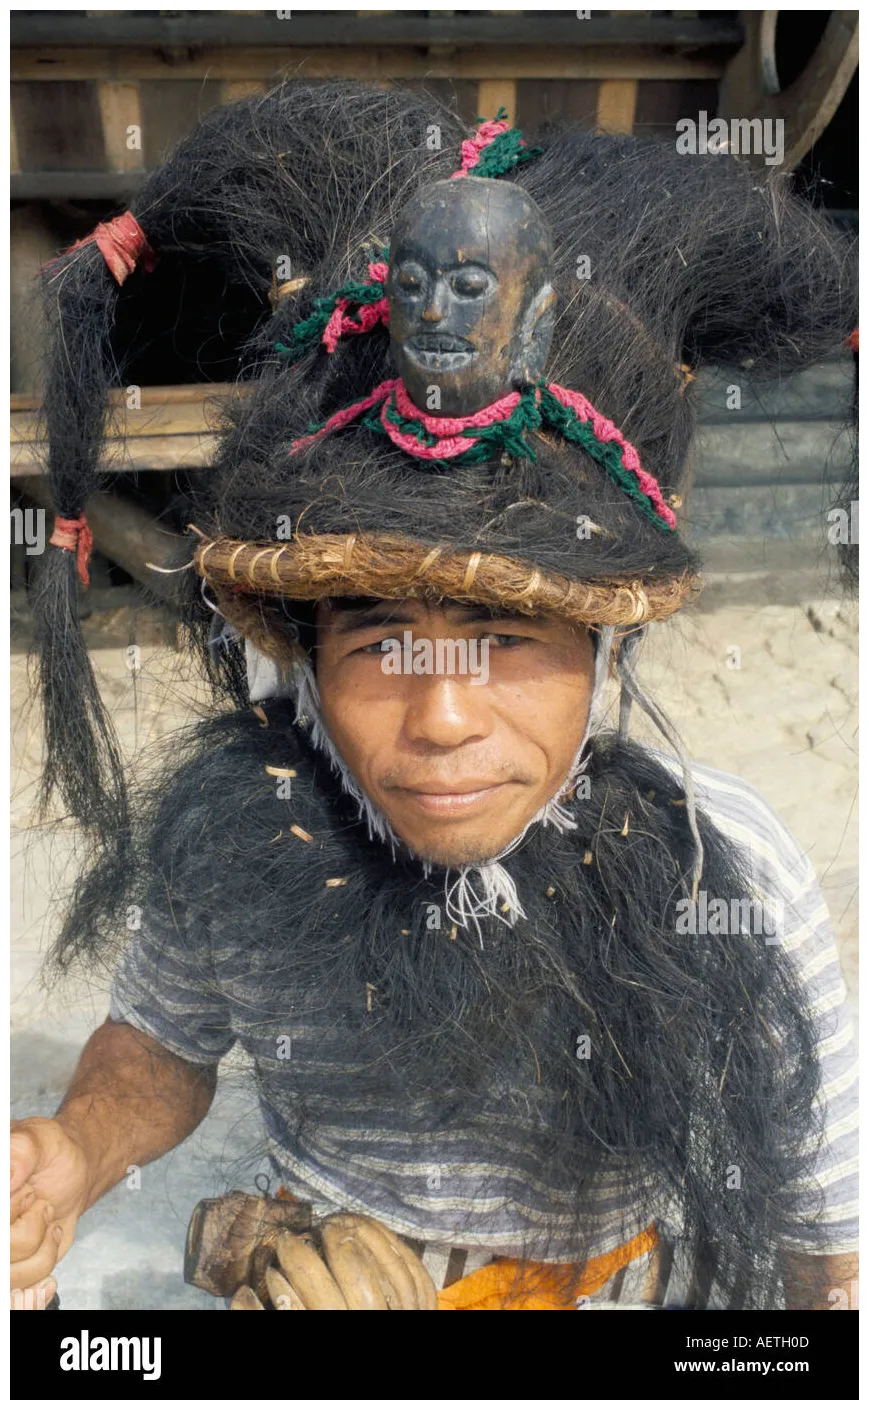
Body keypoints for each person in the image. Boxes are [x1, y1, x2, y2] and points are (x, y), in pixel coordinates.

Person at [12, 81, 858, 1311]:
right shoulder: (244, 839)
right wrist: (76, 1152)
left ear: (603, 647)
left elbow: (820, 1238)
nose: (443, 718)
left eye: (508, 633)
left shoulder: (717, 869)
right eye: (376, 639)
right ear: (302, 650)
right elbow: (162, 1045)